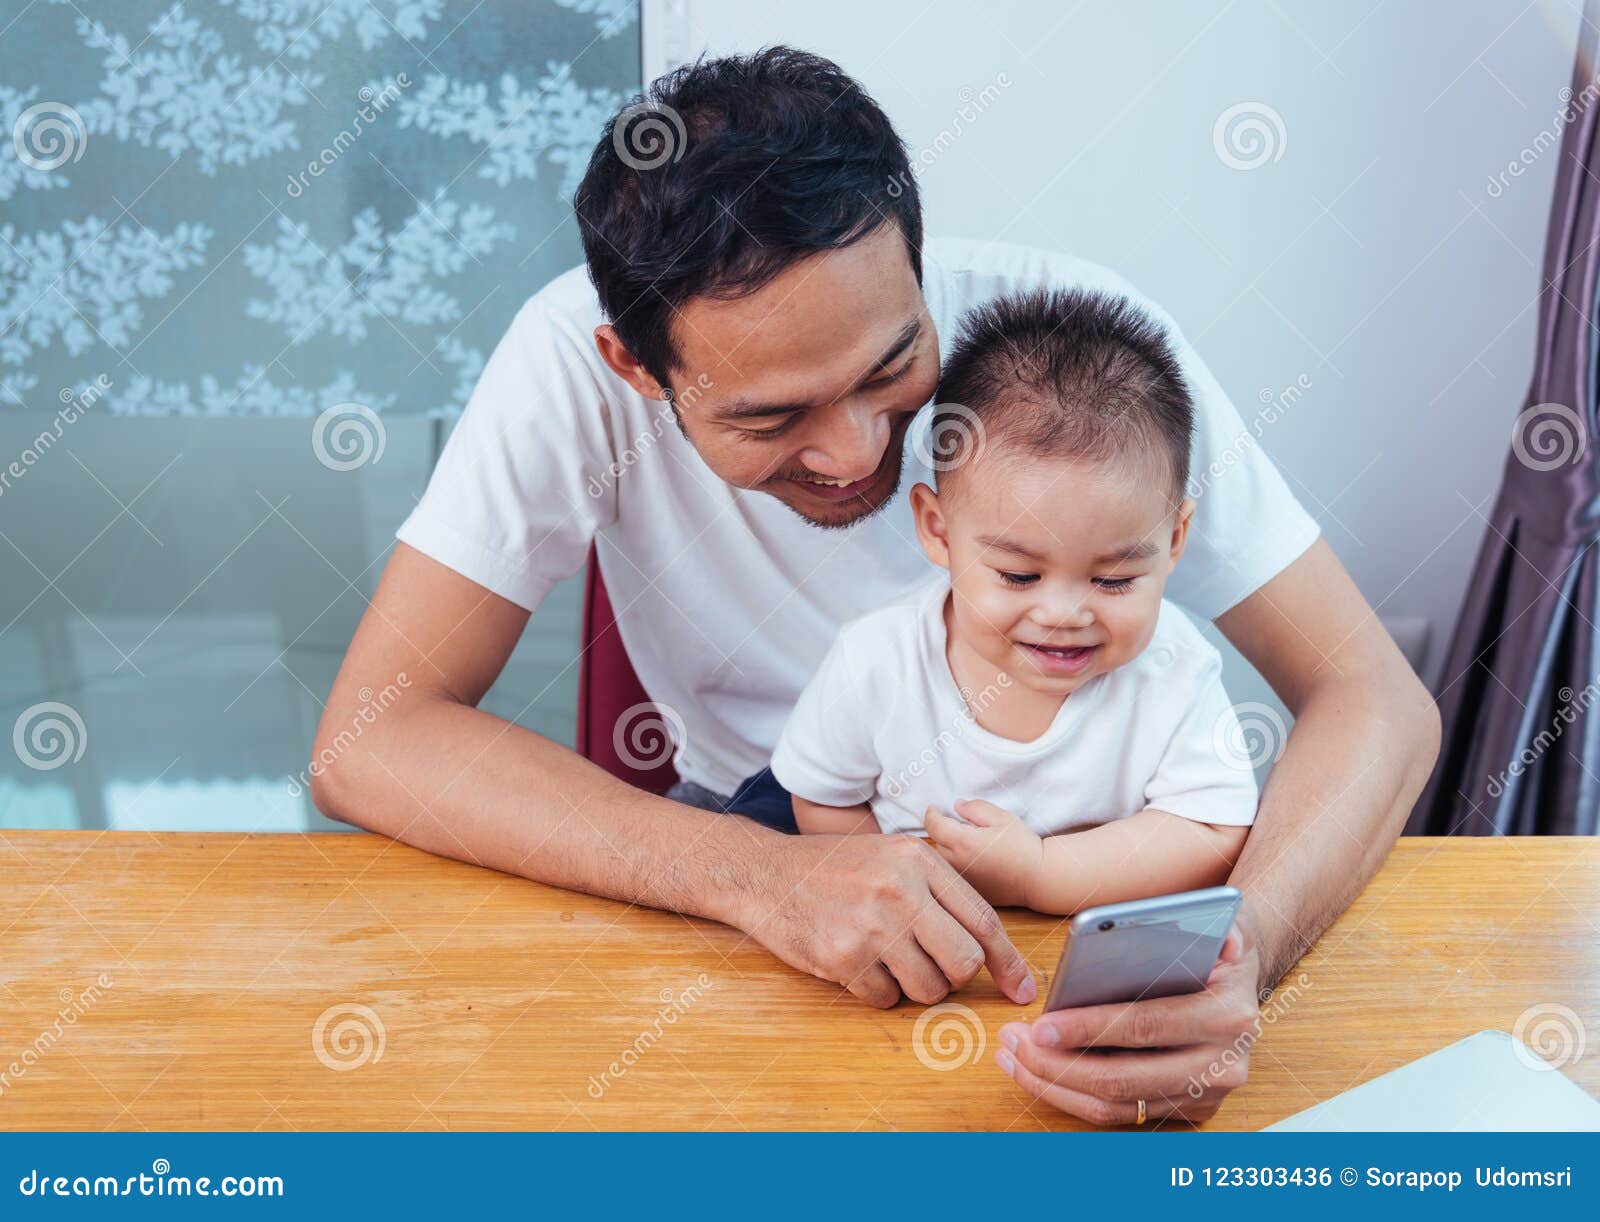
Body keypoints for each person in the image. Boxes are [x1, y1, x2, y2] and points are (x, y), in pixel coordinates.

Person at [310, 47, 1440, 1125]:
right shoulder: (563, 361)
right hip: (757, 864)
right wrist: (768, 877)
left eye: (892, 364)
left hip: (1107, 870)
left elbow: (1373, 697)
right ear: (635, 369)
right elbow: (369, 739)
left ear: (913, 258)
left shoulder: (1083, 351)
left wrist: (1243, 953)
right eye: (769, 414)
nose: (858, 455)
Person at [771, 288, 1256, 914]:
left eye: (1112, 581)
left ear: (1174, 541)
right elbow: (823, 797)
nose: (1063, 615)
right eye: (1020, 576)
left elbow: (1213, 827)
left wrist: (1045, 874)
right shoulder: (878, 661)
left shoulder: (1174, 670)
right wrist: (905, 894)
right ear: (938, 531)